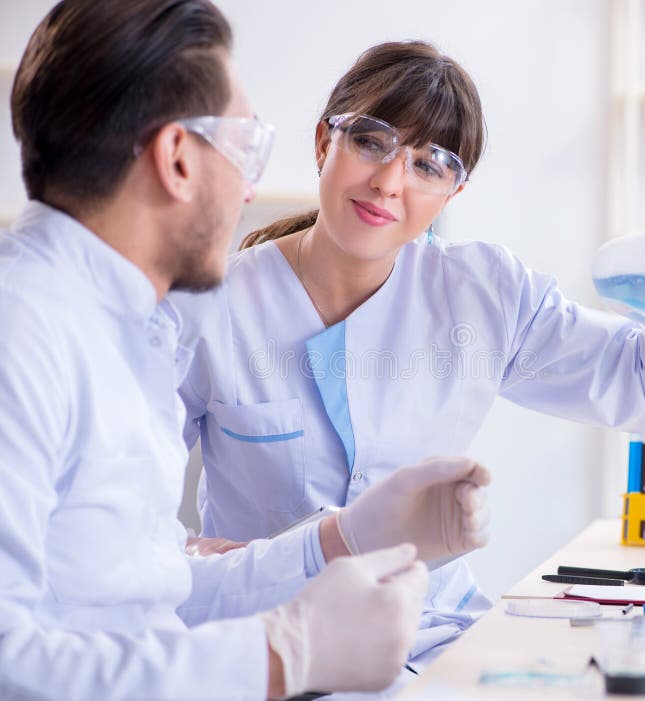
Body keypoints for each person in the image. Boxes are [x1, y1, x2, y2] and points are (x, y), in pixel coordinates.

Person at [171, 39, 645, 671]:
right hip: (269, 646)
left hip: (434, 643)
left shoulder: (484, 295)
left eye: (429, 165)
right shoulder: (206, 306)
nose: (389, 182)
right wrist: (192, 556)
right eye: (370, 141)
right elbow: (119, 529)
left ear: (454, 192)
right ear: (323, 142)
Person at [0, 4, 492, 699]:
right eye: (245, 150)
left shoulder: (120, 328)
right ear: (177, 159)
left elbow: (145, 589)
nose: (252, 188)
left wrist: (338, 539)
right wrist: (277, 658)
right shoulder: (21, 332)